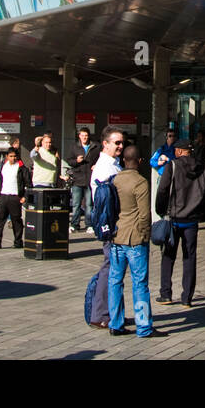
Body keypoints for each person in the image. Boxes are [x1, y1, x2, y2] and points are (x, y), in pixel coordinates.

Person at [156, 138, 205, 307]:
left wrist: (161, 210)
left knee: (168, 256)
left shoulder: (172, 166)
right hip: (192, 220)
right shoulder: (204, 168)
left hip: (174, 218)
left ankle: (166, 294)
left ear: (178, 151)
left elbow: (163, 190)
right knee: (189, 257)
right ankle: (187, 297)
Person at [108, 146, 161, 337]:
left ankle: (115, 323)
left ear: (123, 161)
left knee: (115, 281)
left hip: (116, 236)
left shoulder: (114, 180)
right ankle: (144, 327)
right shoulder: (140, 182)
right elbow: (145, 215)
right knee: (140, 283)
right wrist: (146, 235)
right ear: (139, 161)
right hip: (135, 238)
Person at [86, 127, 124, 328]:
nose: (120, 146)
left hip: (114, 224)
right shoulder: (105, 168)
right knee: (110, 268)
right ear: (105, 144)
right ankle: (100, 314)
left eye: (121, 143)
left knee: (113, 269)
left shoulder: (114, 164)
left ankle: (112, 312)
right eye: (116, 143)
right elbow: (106, 202)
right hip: (111, 225)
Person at [0, 148, 29, 249]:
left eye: (14, 156)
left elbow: (28, 183)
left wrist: (24, 197)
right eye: (11, 156)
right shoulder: (3, 166)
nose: (13, 158)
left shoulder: (22, 168)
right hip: (3, 196)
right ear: (7, 157)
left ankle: (18, 241)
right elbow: (0, 181)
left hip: (15, 197)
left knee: (16, 221)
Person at [68, 128, 98, 232]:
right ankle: (74, 224)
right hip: (77, 179)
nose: (84, 137)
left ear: (88, 136)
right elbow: (69, 161)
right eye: (82, 135)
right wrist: (76, 161)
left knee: (89, 204)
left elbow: (99, 159)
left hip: (89, 179)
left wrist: (96, 166)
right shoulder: (74, 147)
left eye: (86, 135)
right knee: (76, 204)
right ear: (79, 136)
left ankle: (89, 224)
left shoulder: (95, 147)